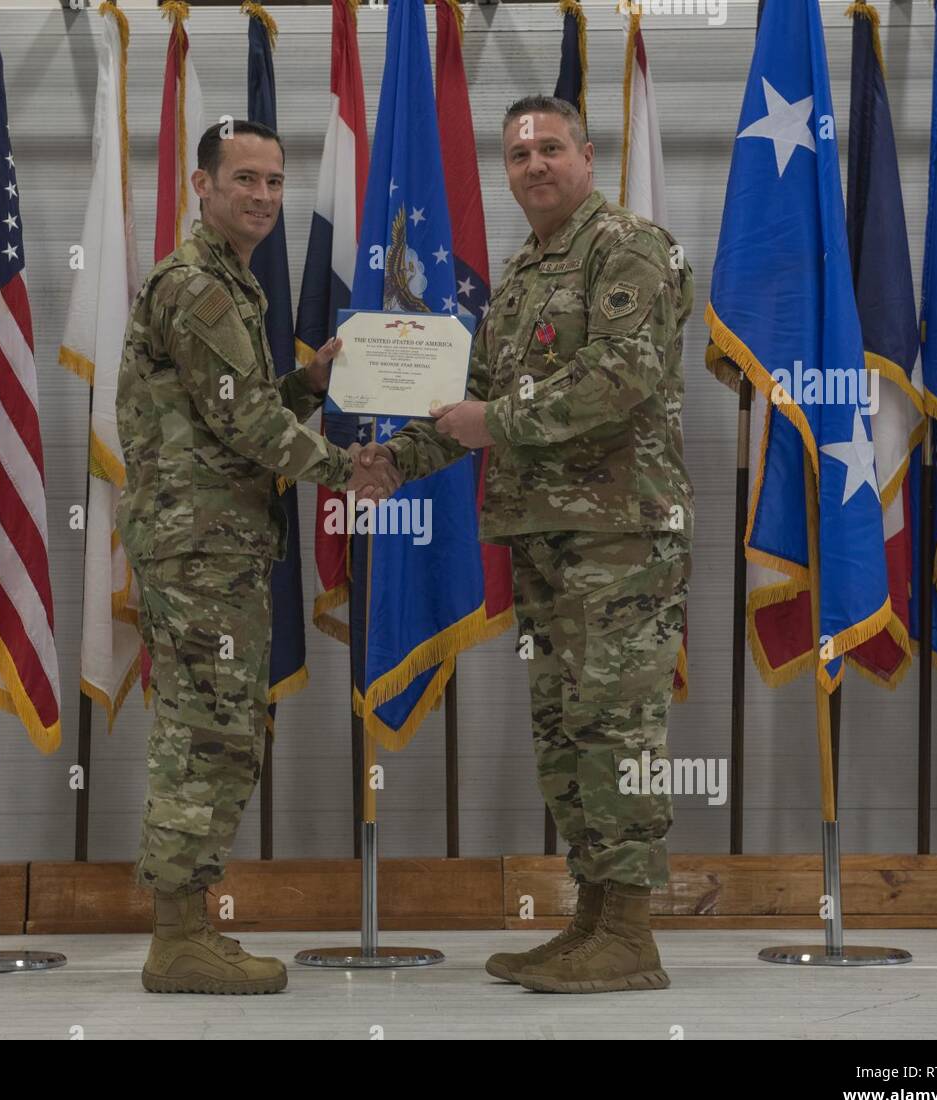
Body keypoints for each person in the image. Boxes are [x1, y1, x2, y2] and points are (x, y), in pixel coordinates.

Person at [359, 95, 694, 993]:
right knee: (565, 731)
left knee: (616, 727)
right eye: (517, 155)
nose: (534, 164)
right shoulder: (522, 273)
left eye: (551, 147)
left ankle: (630, 932)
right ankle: (592, 918)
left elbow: (620, 377)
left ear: (588, 155)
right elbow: (464, 405)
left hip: (618, 537)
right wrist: (390, 460)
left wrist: (492, 418)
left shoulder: (629, 249)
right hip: (547, 539)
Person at [116, 119, 398, 995]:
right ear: (201, 187)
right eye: (245, 179)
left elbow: (230, 410)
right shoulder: (197, 286)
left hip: (223, 544)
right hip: (199, 548)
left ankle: (191, 923)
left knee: (223, 733)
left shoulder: (231, 284)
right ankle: (175, 937)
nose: (264, 197)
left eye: (276, 182)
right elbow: (243, 426)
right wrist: (351, 470)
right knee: (203, 736)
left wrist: (309, 386)